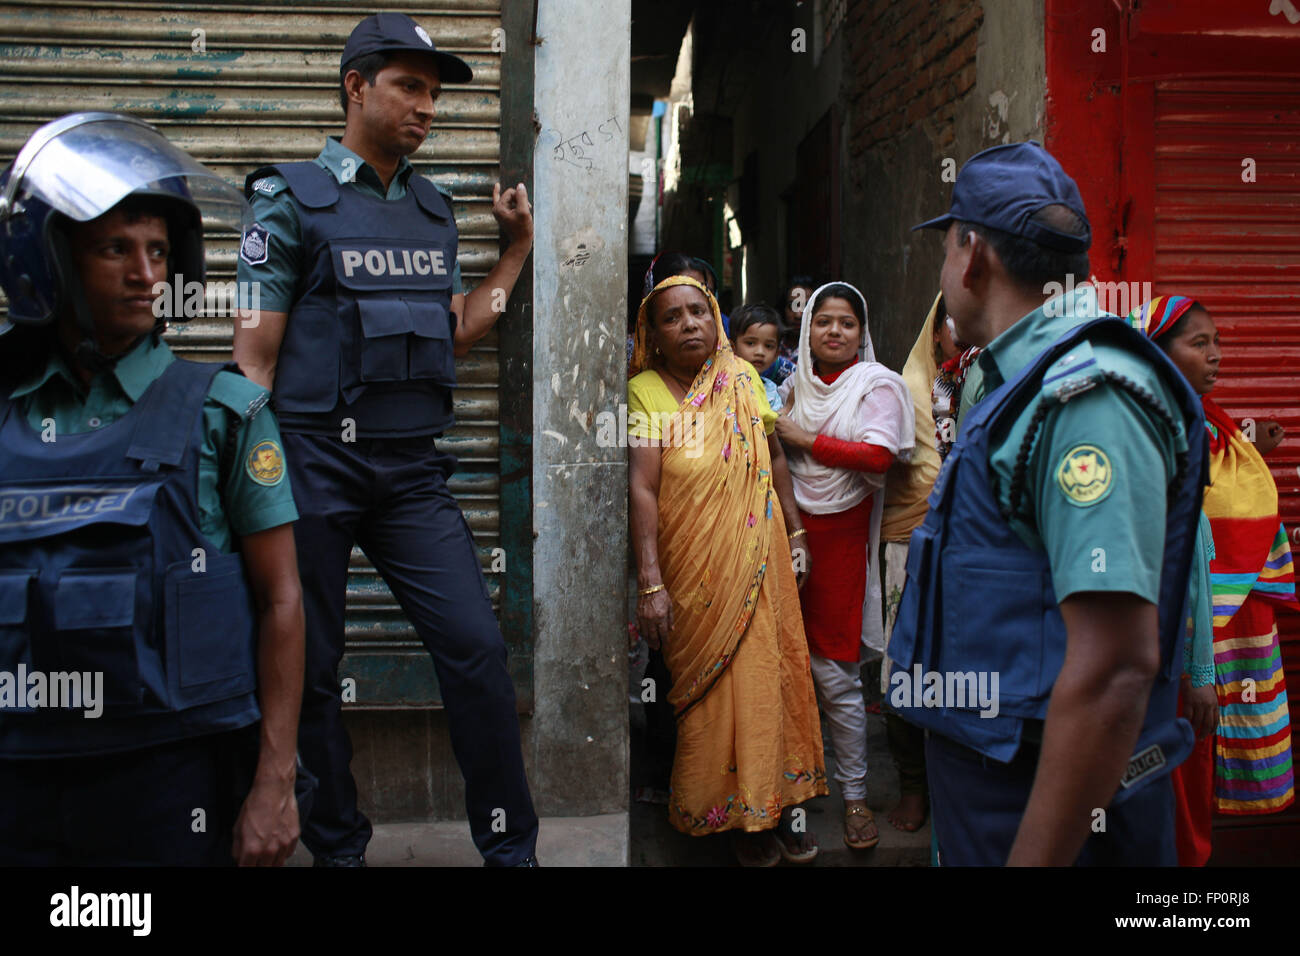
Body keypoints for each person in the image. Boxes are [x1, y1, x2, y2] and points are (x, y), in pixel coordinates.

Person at [232, 12, 538, 867]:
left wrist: (514, 255)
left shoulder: (433, 211)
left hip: (409, 473)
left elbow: (455, 332)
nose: (427, 108)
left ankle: (512, 852)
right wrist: (249, 489)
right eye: (409, 86)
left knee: (477, 650)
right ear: (354, 86)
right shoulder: (286, 200)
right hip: (310, 466)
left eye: (435, 94)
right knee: (315, 670)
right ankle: (338, 850)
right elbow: (252, 361)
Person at [891, 140, 1209, 866]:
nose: (946, 271)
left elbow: (1114, 668)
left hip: (1048, 816)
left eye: (946, 249)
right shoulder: (1016, 380)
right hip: (996, 786)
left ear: (973, 258)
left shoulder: (1084, 395)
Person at [0, 112, 304, 865]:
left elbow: (282, 602)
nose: (146, 275)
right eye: (115, 249)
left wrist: (274, 782)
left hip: (166, 773)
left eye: (159, 252)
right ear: (52, 261)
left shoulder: (224, 413)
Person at [628, 274, 828, 866]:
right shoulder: (643, 390)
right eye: (672, 317)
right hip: (693, 573)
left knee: (769, 680)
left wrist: (795, 532)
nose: (688, 323)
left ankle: (769, 812)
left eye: (698, 311)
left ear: (715, 319)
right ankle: (723, 815)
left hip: (757, 558)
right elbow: (642, 489)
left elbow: (771, 457)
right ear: (655, 335)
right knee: (711, 695)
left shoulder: (742, 379)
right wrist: (651, 583)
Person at [1129, 295, 1296, 865]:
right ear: (1155, 352)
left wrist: (1250, 448)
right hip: (1174, 639)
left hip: (1209, 631)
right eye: (1199, 344)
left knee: (1190, 771)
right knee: (1171, 776)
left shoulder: (1206, 421)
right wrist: (1200, 668)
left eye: (1217, 342)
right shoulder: (1159, 428)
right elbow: (1193, 539)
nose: (1217, 355)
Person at [774, 281, 914, 849]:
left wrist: (802, 438)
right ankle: (784, 797)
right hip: (783, 533)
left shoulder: (878, 386)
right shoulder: (788, 386)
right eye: (822, 321)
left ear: (862, 333)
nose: (834, 331)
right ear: (806, 330)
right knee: (780, 671)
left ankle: (854, 798)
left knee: (834, 675)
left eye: (846, 323)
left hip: (840, 540)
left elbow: (878, 456)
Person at [878, 290, 949, 833]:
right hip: (910, 545)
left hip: (980, 555)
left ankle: (952, 784)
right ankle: (913, 786)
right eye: (950, 322)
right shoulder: (906, 390)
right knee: (905, 669)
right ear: (936, 332)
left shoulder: (1002, 387)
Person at [729, 304, 785, 411]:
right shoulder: (723, 383)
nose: (760, 352)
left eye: (768, 346)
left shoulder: (771, 390)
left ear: (776, 355)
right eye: (750, 343)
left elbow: (775, 423)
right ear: (732, 348)